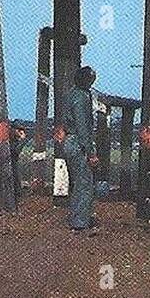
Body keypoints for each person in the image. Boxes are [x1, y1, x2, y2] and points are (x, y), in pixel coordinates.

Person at [61, 66, 99, 233]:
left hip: (70, 142)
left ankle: (78, 217)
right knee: (84, 183)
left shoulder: (71, 94)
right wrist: (91, 153)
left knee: (77, 182)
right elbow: (82, 127)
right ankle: (80, 222)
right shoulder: (81, 97)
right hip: (78, 143)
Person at [9, 122, 27, 206]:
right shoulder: (9, 139)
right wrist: (23, 140)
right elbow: (15, 152)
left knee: (17, 177)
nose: (20, 132)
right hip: (9, 163)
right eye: (18, 130)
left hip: (13, 162)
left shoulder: (15, 139)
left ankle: (17, 195)